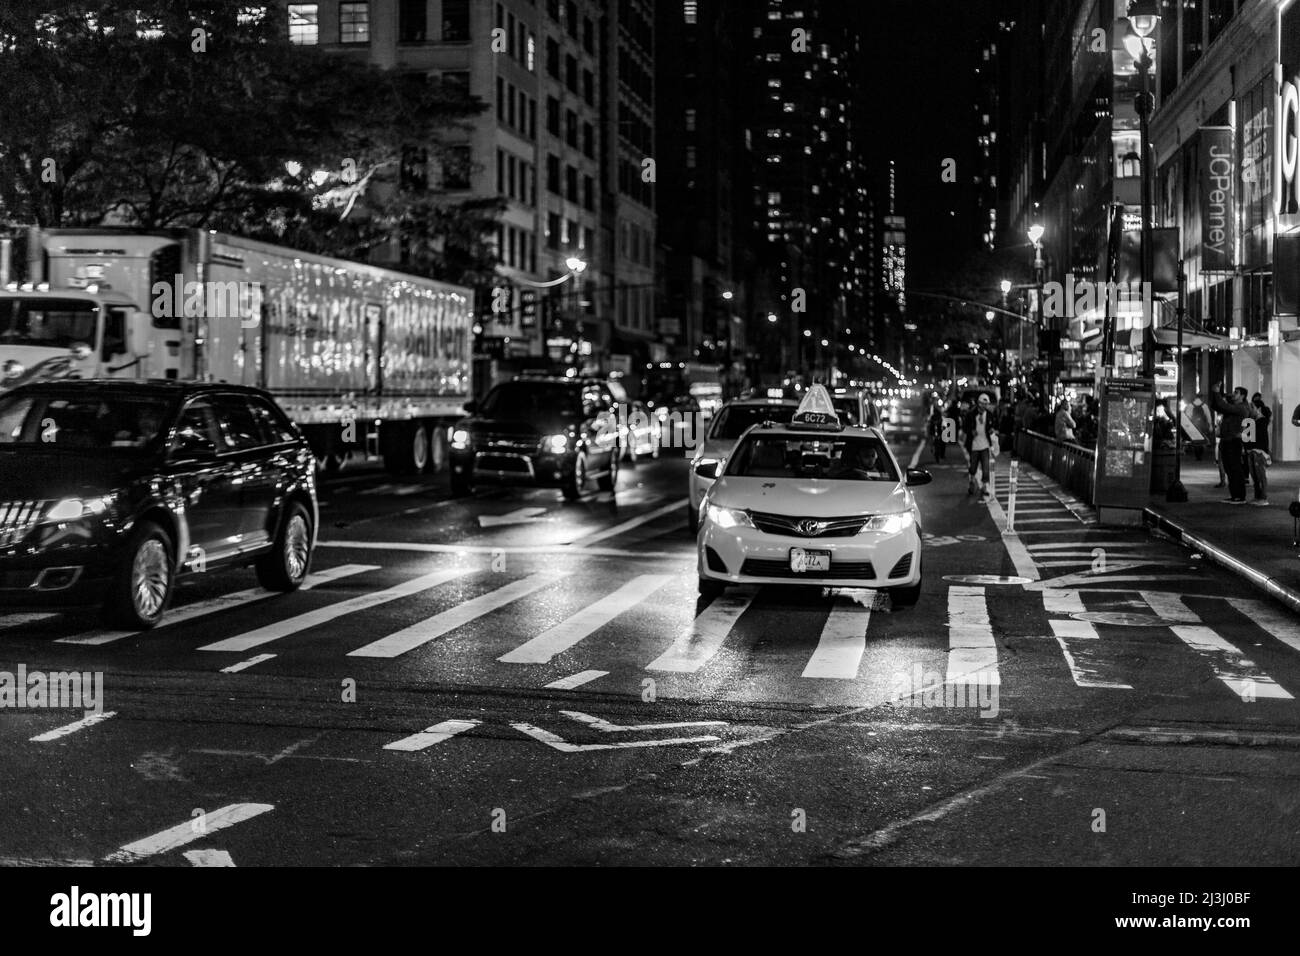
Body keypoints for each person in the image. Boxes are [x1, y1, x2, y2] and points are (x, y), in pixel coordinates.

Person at [1207, 385, 1257, 503]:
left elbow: (1223, 406)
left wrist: (1216, 392)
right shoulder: (1235, 407)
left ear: (1242, 396)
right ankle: (1235, 495)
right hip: (1227, 440)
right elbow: (1217, 406)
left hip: (1233, 441)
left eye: (1236, 392)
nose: (1233, 394)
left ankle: (1239, 496)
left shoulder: (1241, 408)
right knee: (1229, 468)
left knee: (1234, 468)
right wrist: (1215, 394)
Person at [963, 393, 997, 502]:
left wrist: (992, 430)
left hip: (985, 444)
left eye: (986, 404)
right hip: (974, 445)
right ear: (978, 404)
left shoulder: (990, 415)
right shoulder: (971, 414)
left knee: (985, 467)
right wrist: (970, 431)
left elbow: (994, 426)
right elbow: (965, 427)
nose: (984, 406)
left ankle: (985, 486)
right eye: (982, 404)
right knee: (973, 466)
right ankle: (972, 482)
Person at [1246, 392, 1272, 505]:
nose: (1250, 410)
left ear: (1259, 408)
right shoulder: (1254, 421)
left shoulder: (1262, 421)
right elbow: (1248, 437)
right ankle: (1257, 497)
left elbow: (1259, 438)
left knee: (1260, 476)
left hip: (1259, 452)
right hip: (1253, 451)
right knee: (1254, 476)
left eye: (1252, 407)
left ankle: (1263, 498)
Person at [1188, 397, 1212, 461]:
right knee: (1202, 441)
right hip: (1202, 426)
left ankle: (1197, 455)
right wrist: (1210, 426)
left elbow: (1188, 416)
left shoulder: (1190, 406)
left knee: (1195, 441)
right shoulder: (1205, 406)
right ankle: (1200, 455)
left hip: (1194, 425)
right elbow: (1208, 417)